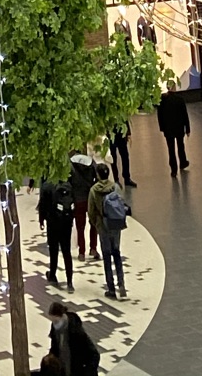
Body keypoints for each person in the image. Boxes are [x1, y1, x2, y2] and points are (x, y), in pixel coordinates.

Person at [87, 165, 128, 299]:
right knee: (117, 253)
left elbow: (91, 211)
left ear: (98, 175)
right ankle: (121, 284)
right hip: (115, 225)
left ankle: (111, 289)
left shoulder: (94, 190)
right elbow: (122, 204)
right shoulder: (115, 187)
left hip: (103, 226)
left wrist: (96, 224)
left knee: (106, 256)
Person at [38, 171, 75, 288]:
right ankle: (69, 281)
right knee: (66, 251)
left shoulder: (47, 185)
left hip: (53, 222)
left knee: (53, 250)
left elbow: (42, 204)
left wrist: (41, 220)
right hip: (66, 222)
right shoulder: (68, 185)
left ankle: (53, 275)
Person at [46, 303, 99, 376]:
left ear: (62, 316)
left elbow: (94, 355)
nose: (54, 324)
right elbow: (55, 348)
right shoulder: (55, 330)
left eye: (56, 321)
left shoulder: (76, 331)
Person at [66, 152, 95, 258]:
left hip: (78, 199)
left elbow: (68, 183)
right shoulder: (91, 164)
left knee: (80, 227)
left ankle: (81, 252)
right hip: (90, 198)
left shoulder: (70, 166)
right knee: (93, 224)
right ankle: (93, 248)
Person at [156, 87, 190, 174]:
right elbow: (185, 115)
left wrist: (162, 127)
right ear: (175, 87)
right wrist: (187, 128)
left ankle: (173, 169)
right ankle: (183, 162)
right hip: (179, 127)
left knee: (171, 149)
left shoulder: (162, 100)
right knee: (181, 146)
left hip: (168, 129)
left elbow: (159, 115)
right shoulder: (180, 99)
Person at [108, 122, 134, 188]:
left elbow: (124, 118)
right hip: (111, 132)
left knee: (125, 155)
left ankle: (127, 178)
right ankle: (115, 179)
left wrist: (128, 132)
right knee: (113, 157)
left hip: (120, 132)